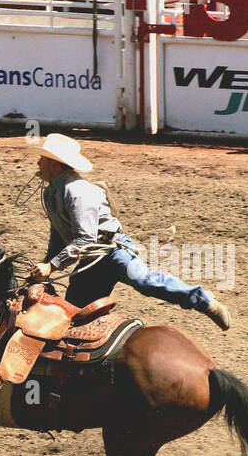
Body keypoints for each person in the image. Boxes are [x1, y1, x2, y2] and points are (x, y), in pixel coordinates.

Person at [25, 133, 232, 331]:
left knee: (144, 281)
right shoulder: (52, 192)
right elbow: (59, 236)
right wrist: (45, 266)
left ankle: (204, 301)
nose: (37, 164)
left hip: (113, 250)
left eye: (42, 159)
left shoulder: (78, 192)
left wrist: (51, 266)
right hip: (91, 260)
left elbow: (85, 240)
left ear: (55, 164)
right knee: (74, 313)